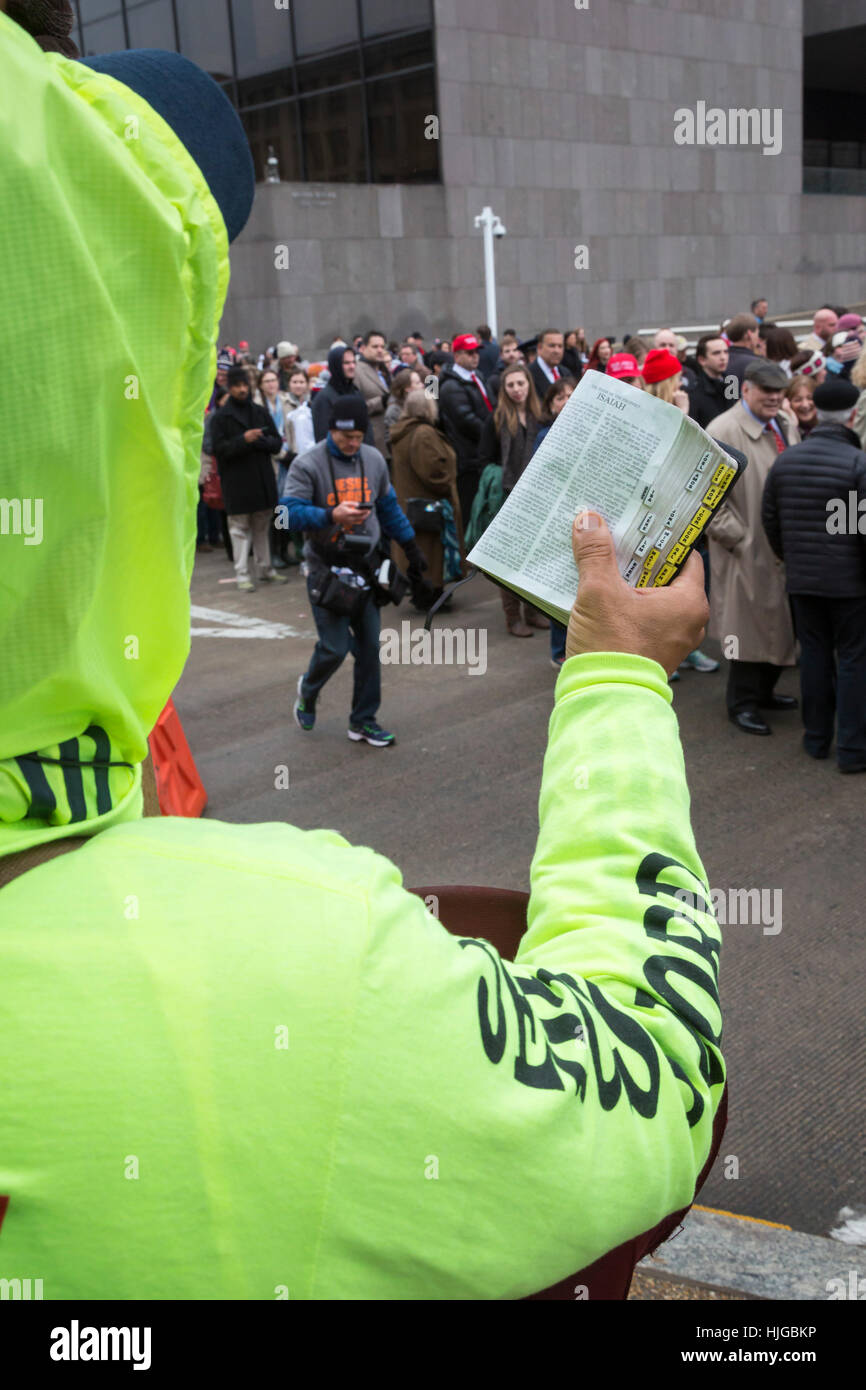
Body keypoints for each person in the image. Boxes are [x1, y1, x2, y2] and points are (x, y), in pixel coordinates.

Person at [3, 7, 727, 1303]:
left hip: (350, 598)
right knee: (339, 665)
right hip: (316, 615)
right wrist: (614, 666)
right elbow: (641, 1070)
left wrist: (398, 550)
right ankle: (319, 685)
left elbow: (392, 500)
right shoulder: (292, 969)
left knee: (369, 673)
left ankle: (350, 689)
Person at [282, 396, 426, 746]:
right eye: (345, 436)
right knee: (333, 648)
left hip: (367, 567)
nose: (352, 443)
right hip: (325, 569)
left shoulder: (374, 459)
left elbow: (389, 508)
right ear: (330, 430)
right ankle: (308, 689)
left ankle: (363, 721)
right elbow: (283, 515)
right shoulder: (308, 464)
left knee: (369, 648)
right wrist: (330, 515)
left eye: (358, 436)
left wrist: (412, 550)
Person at [761, 377, 866, 771]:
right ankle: (854, 750)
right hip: (850, 584)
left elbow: (769, 519)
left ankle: (816, 739)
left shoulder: (786, 459)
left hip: (803, 579)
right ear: (853, 415)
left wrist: (791, 558)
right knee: (855, 660)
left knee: (815, 656)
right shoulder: (857, 463)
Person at [707, 361, 799, 734]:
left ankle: (764, 693)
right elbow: (706, 502)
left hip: (779, 546)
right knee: (745, 633)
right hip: (747, 550)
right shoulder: (723, 430)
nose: (775, 397)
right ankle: (742, 703)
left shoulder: (784, 423)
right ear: (746, 390)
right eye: (767, 391)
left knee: (778, 626)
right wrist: (740, 539)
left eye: (779, 391)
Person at [478, 363, 547, 637]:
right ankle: (512, 617)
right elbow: (483, 460)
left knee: (534, 560)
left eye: (521, 383)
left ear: (529, 385)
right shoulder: (495, 420)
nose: (517, 390)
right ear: (503, 390)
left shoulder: (538, 417)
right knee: (508, 563)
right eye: (511, 385)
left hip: (536, 498)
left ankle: (532, 611)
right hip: (506, 498)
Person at [210, 366, 288, 592]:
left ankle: (265, 569)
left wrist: (258, 441)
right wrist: (243, 440)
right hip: (237, 483)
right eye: (237, 386)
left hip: (261, 480)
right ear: (230, 388)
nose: (242, 389)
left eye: (245, 385)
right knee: (239, 529)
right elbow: (219, 449)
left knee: (263, 527)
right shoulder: (221, 417)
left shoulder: (259, 412)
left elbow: (276, 442)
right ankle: (242, 573)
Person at [390, 389, 463, 602]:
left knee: (420, 553)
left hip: (413, 503)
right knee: (431, 554)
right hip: (429, 505)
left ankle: (424, 592)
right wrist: (448, 482)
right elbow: (433, 472)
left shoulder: (403, 430)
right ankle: (431, 595)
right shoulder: (423, 433)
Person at [532, 378, 578, 667]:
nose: (566, 401)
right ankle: (559, 649)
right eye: (559, 398)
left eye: (571, 396)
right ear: (550, 404)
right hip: (559, 518)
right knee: (561, 585)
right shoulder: (544, 435)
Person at [438, 332, 494, 521]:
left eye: (476, 352)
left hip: (482, 453)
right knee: (471, 511)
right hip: (468, 458)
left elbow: (491, 406)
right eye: (469, 353)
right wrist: (493, 434)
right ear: (456, 356)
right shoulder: (450, 386)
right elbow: (467, 421)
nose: (475, 356)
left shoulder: (477, 376)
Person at [311, 344, 374, 445]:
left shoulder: (356, 393)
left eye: (354, 362)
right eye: (346, 363)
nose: (352, 366)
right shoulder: (324, 398)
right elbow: (323, 438)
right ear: (336, 365)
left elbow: (367, 431)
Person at [354, 329, 392, 457]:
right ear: (363, 348)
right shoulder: (357, 372)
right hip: (373, 443)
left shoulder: (385, 372)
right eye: (375, 346)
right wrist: (381, 401)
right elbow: (356, 409)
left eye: (382, 346)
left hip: (391, 440)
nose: (380, 350)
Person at [688, 334, 731, 428]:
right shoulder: (693, 393)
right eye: (716, 353)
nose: (723, 357)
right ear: (702, 360)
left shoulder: (732, 383)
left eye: (726, 352)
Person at [384, 367, 424, 454]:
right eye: (418, 383)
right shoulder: (394, 411)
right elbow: (391, 441)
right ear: (407, 388)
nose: (422, 385)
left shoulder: (419, 404)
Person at [529, 328, 576, 399]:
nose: (557, 351)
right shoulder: (528, 374)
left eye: (560, 346)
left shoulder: (566, 372)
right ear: (539, 347)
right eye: (552, 346)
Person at [723, 313, 762, 387]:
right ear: (749, 334)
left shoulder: (720, 359)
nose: (758, 338)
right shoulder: (758, 363)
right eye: (757, 333)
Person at [781, 374, 818, 439]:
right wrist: (792, 426)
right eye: (798, 400)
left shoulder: (829, 427)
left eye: (810, 398)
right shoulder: (781, 431)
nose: (805, 405)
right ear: (787, 403)